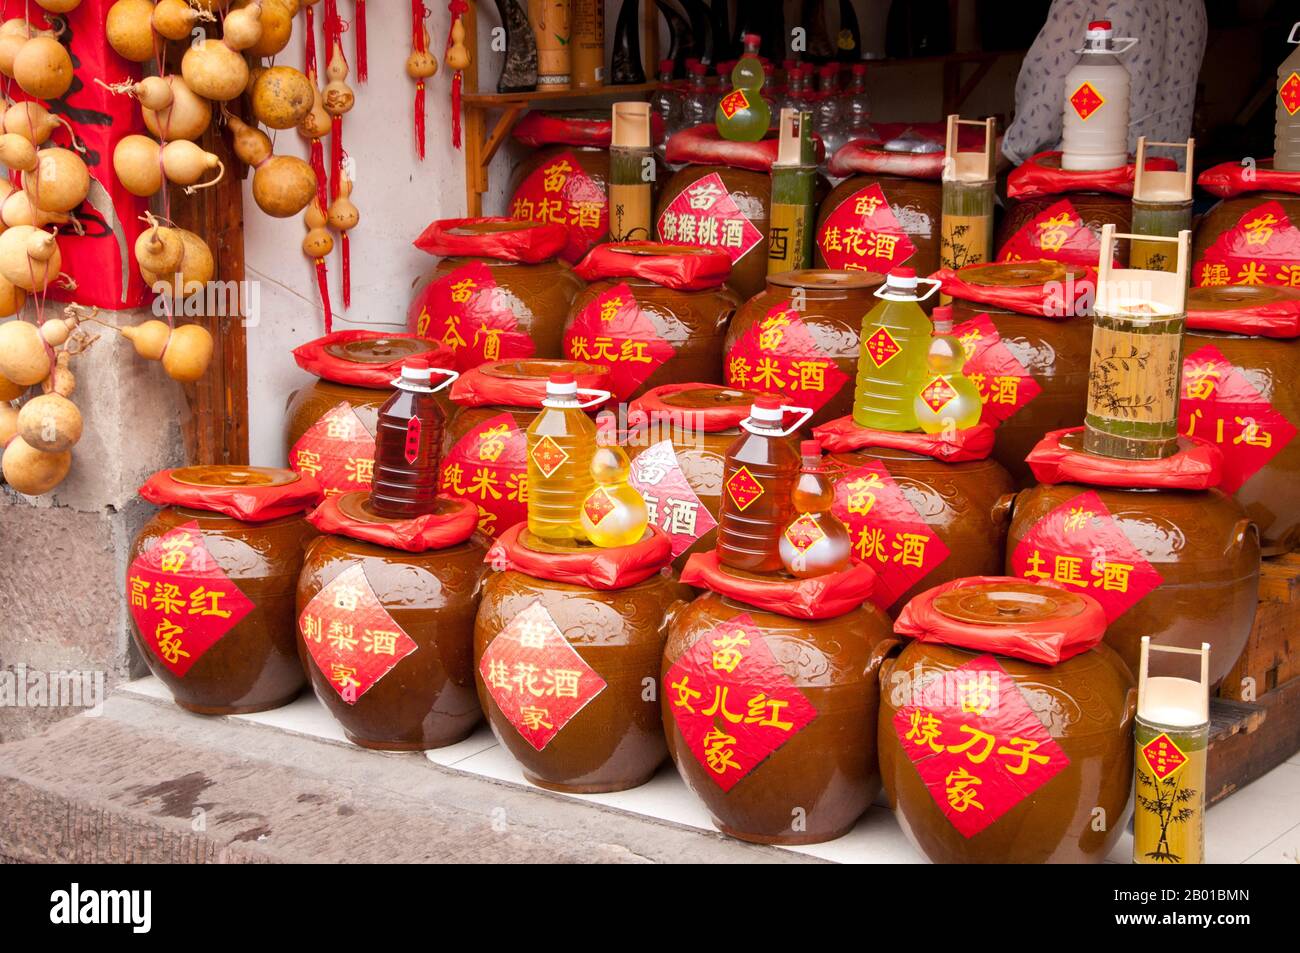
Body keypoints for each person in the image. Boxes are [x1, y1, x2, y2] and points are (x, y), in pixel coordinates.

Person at [1001, 0, 1208, 166]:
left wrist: (1003, 151)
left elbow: (1040, 117)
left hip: (1097, 188)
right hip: (1168, 184)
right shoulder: (1193, 4)